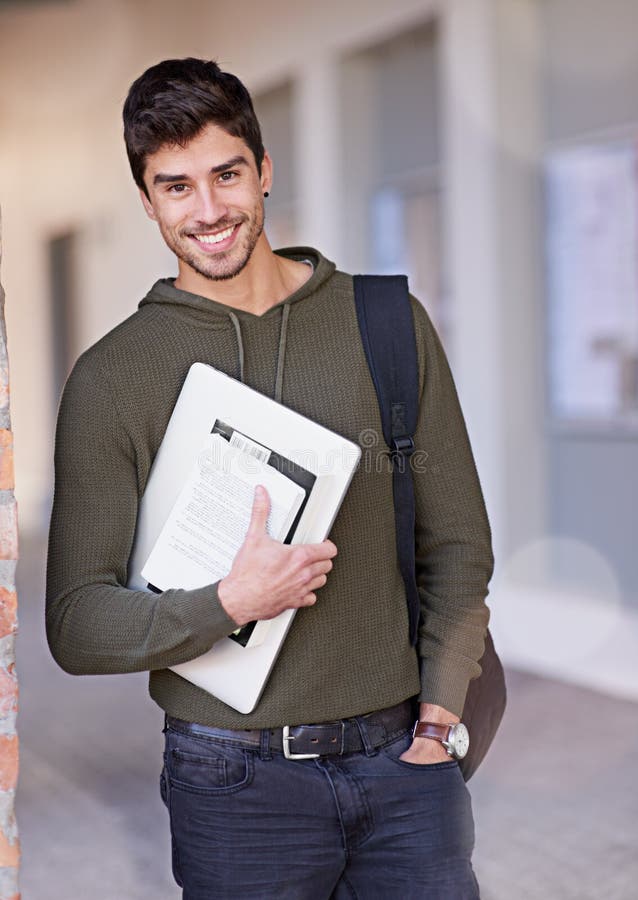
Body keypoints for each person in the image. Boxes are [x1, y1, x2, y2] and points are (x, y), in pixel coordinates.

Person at [46, 57, 494, 899]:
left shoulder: (386, 323)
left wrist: (440, 716)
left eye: (226, 175)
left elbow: (460, 544)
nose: (208, 210)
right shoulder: (112, 378)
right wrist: (228, 603)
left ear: (264, 170)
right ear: (147, 200)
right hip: (231, 784)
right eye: (176, 187)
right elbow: (76, 623)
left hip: (404, 766)